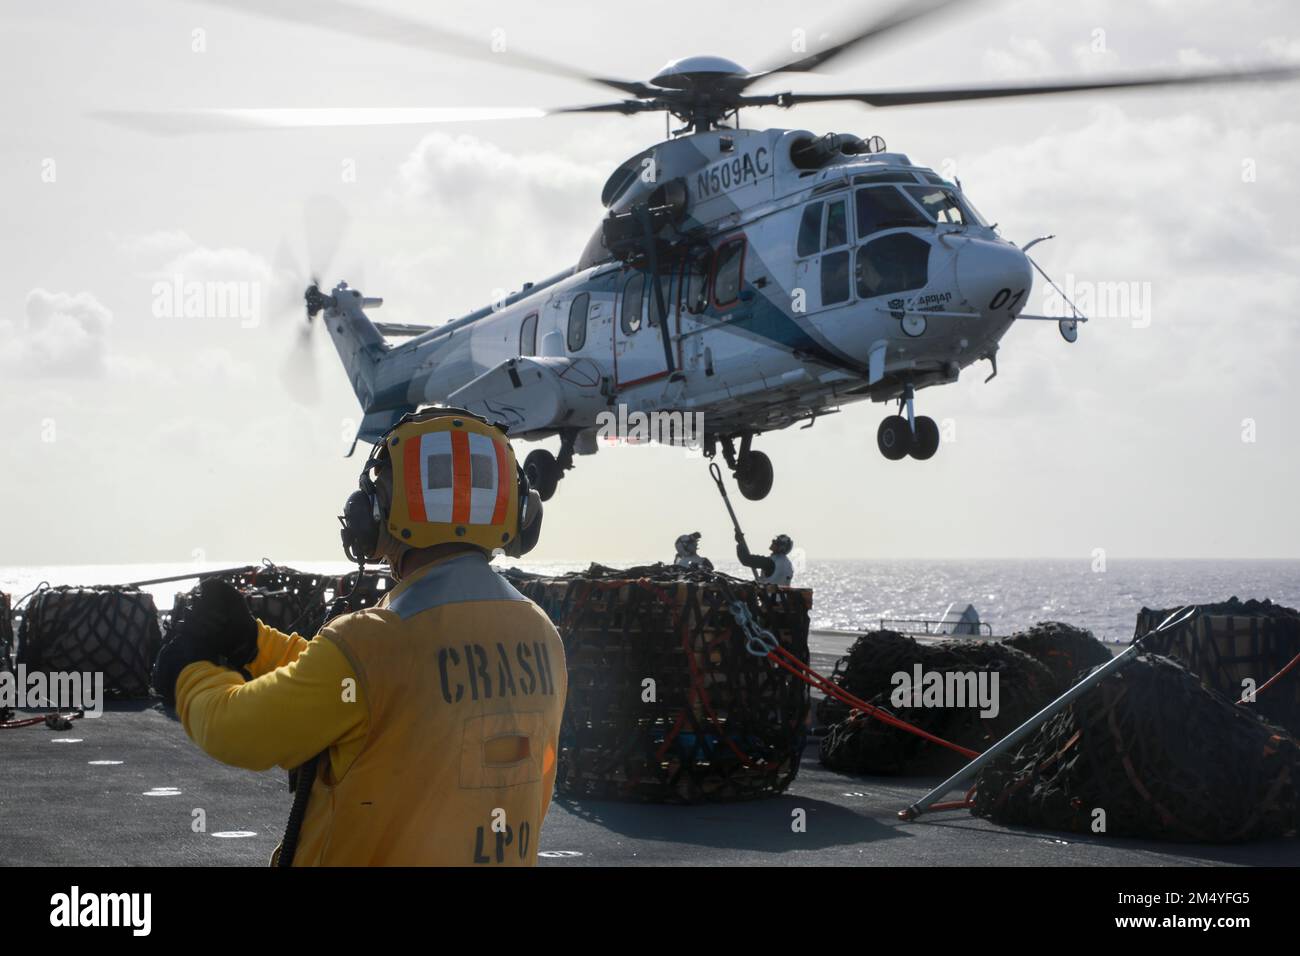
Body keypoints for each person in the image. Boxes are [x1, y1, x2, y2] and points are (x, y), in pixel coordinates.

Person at [152, 408, 566, 866]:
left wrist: (189, 672)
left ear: (376, 514)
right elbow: (379, 694)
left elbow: (238, 730)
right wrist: (256, 645)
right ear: (519, 511)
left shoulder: (375, 644)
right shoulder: (541, 635)